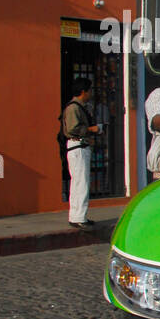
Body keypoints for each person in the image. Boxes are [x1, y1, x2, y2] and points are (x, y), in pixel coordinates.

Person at [63, 80, 99, 230]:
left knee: (78, 182)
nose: (91, 93)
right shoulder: (73, 108)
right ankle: (79, 217)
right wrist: (91, 129)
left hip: (79, 146)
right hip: (78, 146)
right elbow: (73, 128)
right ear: (83, 91)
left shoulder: (77, 107)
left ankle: (77, 215)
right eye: (89, 90)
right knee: (81, 182)